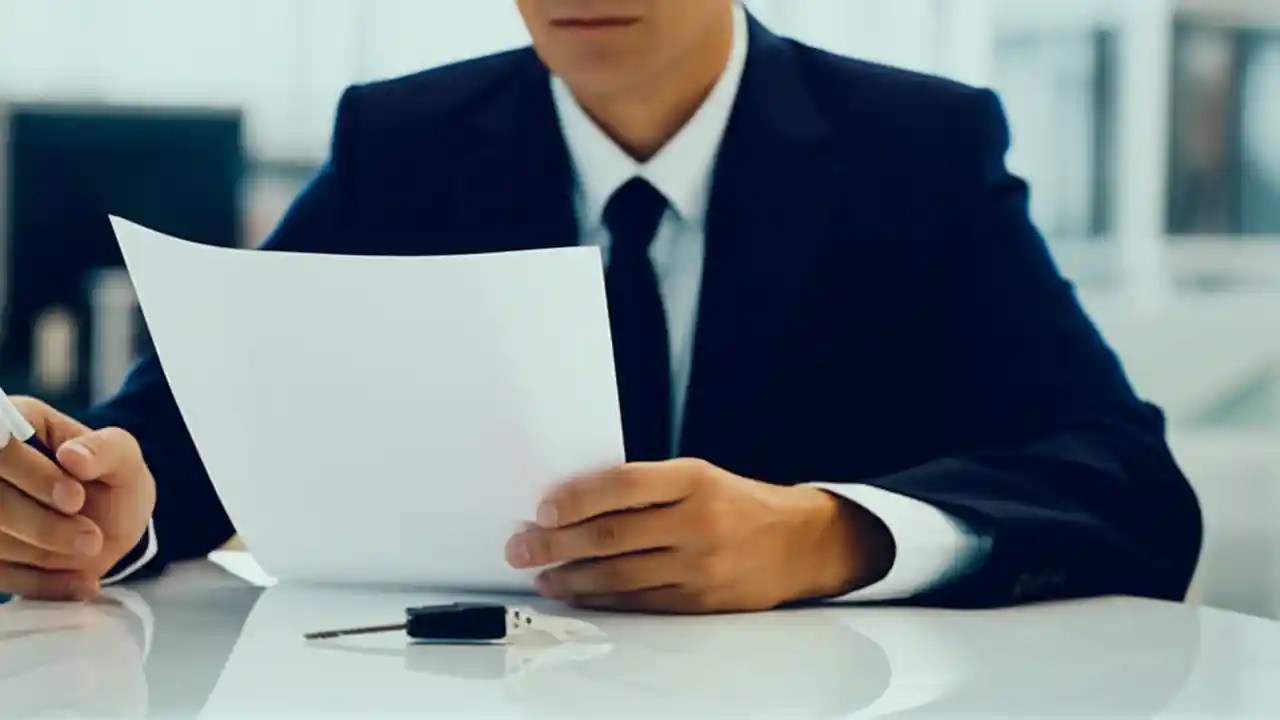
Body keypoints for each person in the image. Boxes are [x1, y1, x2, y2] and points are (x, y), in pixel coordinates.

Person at [0, 0, 1202, 612]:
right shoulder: (406, 140)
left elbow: (1124, 487)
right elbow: (217, 423)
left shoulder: (917, 148)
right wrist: (110, 507)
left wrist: (829, 535)